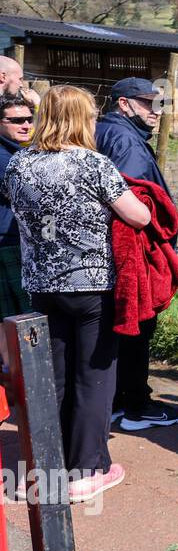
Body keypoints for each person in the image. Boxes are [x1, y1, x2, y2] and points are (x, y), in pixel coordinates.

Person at [0, 85, 151, 502]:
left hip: (43, 288)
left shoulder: (19, 165)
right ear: (82, 119)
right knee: (95, 378)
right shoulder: (93, 164)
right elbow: (138, 217)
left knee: (56, 378)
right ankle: (88, 470)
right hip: (91, 285)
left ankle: (53, 463)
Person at [95, 76, 178, 431]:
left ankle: (117, 400)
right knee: (136, 321)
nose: (156, 111)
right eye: (148, 103)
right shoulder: (125, 141)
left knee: (113, 327)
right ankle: (137, 405)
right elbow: (133, 199)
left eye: (158, 104)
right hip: (131, 250)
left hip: (103, 254)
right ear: (124, 104)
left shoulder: (104, 130)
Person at [0, 93, 35, 326]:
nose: (25, 125)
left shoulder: (18, 153)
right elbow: (31, 197)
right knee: (14, 321)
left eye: (29, 119)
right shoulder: (4, 157)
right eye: (16, 120)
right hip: (6, 244)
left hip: (15, 241)